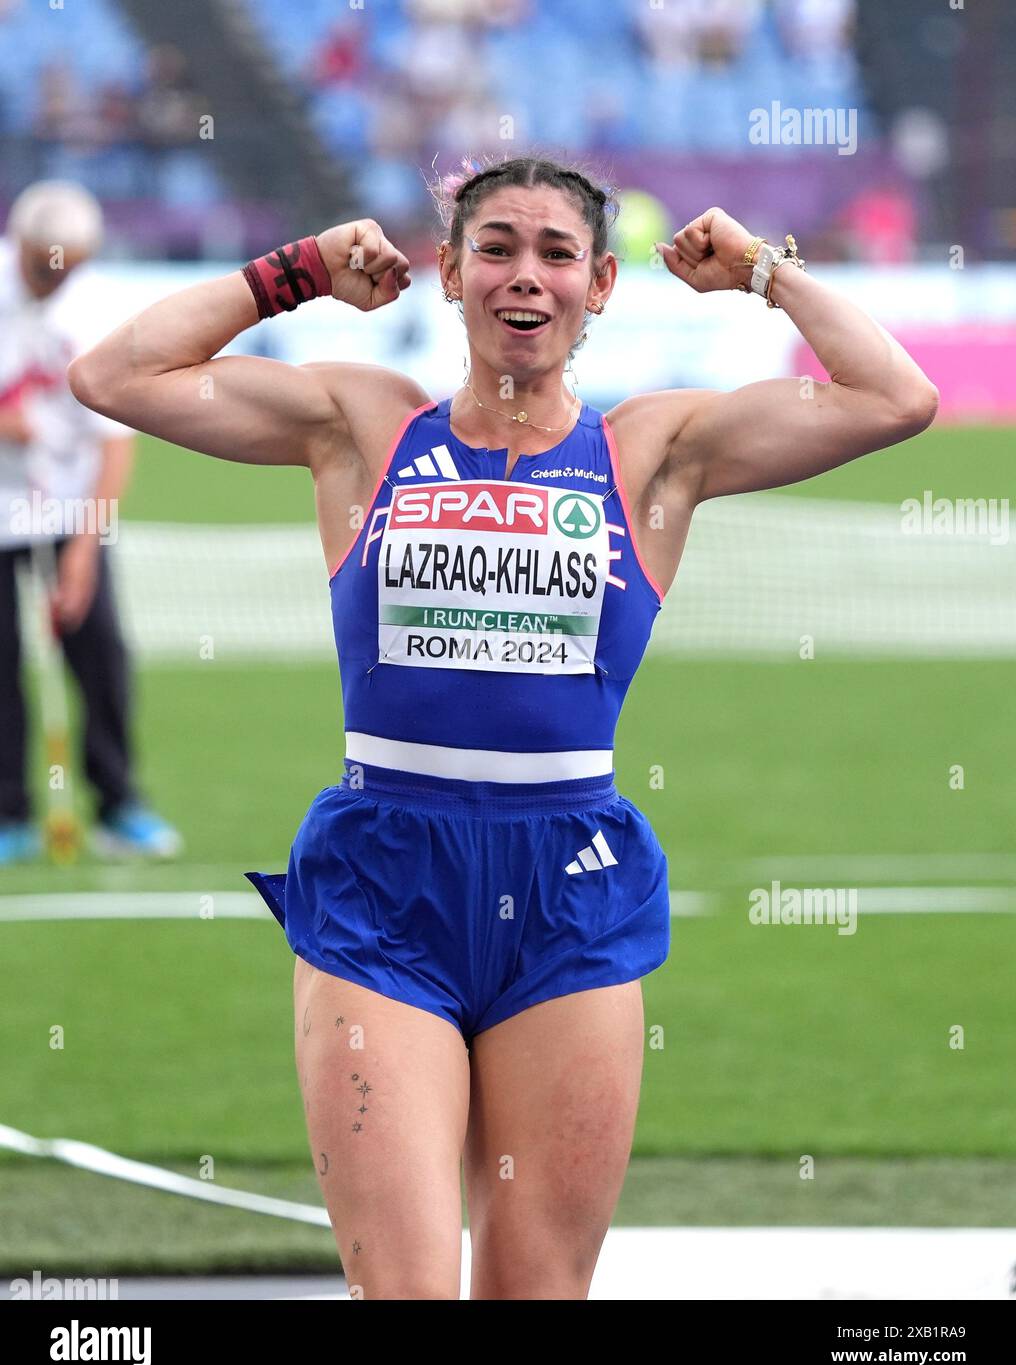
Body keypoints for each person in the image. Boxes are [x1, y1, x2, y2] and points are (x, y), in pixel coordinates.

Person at [67, 154, 938, 1298]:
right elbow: (113, 375)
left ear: (601, 284)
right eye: (495, 247)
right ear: (447, 271)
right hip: (385, 886)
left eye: (556, 253)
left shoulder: (650, 452)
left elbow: (897, 400)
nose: (524, 277)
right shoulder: (362, 428)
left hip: (568, 888)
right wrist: (298, 273)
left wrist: (764, 272)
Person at [0, 180, 182, 863]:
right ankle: (8, 814)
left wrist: (84, 549)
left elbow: (115, 445)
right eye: (43, 264)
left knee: (102, 654)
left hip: (70, 505)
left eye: (66, 266)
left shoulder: (98, 313)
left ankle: (119, 804)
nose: (54, 277)